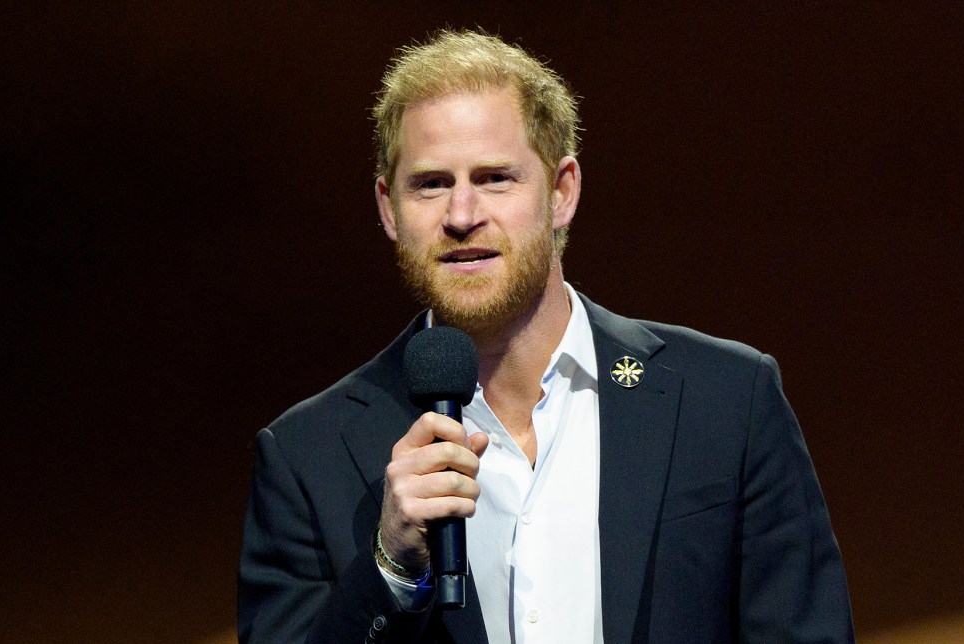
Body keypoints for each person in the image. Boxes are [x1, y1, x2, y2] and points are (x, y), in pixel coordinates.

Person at [238, 29, 854, 643]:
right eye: (430, 184)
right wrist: (391, 569)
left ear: (562, 192)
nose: (460, 215)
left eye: (495, 178)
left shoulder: (727, 400)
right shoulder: (303, 458)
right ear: (388, 207)